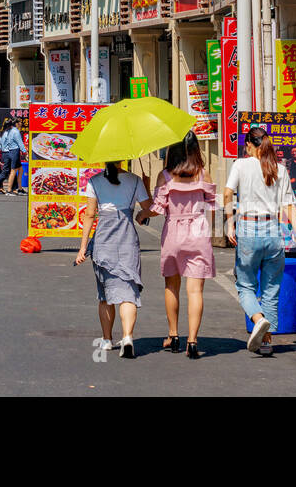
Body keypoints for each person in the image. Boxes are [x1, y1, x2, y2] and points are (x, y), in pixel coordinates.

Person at [223, 125, 296, 356]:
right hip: (273, 232)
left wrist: (230, 222)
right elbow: (289, 205)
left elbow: (228, 192)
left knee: (245, 285)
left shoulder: (240, 165)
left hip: (248, 229)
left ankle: (258, 319)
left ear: (250, 145)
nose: (246, 150)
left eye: (247, 146)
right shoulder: (279, 169)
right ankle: (267, 342)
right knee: (271, 289)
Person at [141, 131, 215, 359]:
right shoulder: (204, 174)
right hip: (198, 233)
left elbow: (156, 208)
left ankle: (173, 336)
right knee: (195, 290)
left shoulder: (165, 176)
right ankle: (192, 341)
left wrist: (141, 213)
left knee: (171, 286)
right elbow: (214, 204)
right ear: (195, 150)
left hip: (173, 232)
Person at [76, 161, 154, 359]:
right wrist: (146, 183)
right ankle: (127, 337)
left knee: (105, 294)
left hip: (104, 238)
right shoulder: (135, 180)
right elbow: (149, 209)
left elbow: (90, 215)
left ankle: (107, 339)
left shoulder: (94, 181)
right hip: (127, 237)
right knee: (128, 291)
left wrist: (83, 247)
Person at [0, 117, 25, 196]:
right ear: (16, 123)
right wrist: (25, 151)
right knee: (13, 171)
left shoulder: (9, 131)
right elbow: (20, 143)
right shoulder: (16, 132)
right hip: (15, 152)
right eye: (20, 122)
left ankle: (20, 189)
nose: (21, 124)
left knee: (20, 170)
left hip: (11, 151)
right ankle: (9, 190)